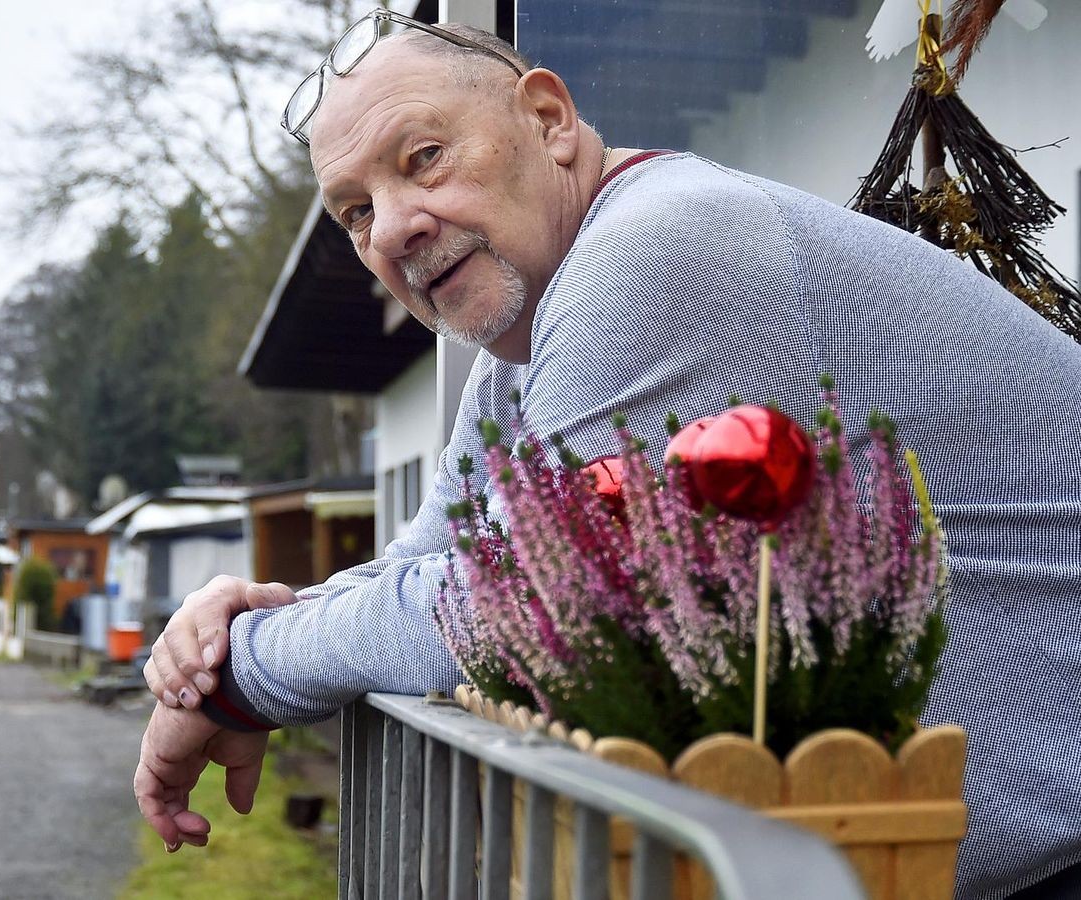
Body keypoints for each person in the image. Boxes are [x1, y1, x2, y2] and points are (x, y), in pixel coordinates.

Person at [132, 13, 1081, 899]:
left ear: (548, 119)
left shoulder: (661, 246)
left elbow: (513, 603)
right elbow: (433, 564)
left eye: (422, 158)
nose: (391, 229)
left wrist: (237, 675)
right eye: (353, 213)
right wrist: (260, 617)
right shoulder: (530, 338)